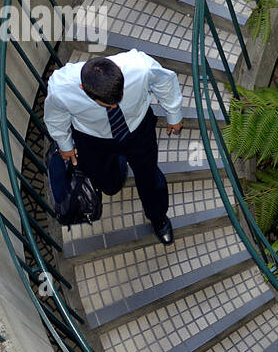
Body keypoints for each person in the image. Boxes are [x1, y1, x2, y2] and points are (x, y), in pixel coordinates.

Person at [44, 52, 183, 245]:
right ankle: (117, 165)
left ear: (118, 70)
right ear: (83, 88)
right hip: (93, 138)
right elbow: (56, 116)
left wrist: (174, 114)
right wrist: (65, 145)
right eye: (107, 103)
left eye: (119, 97)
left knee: (149, 175)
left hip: (138, 130)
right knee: (108, 184)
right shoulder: (62, 89)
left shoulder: (139, 67)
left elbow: (165, 83)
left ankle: (157, 216)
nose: (116, 105)